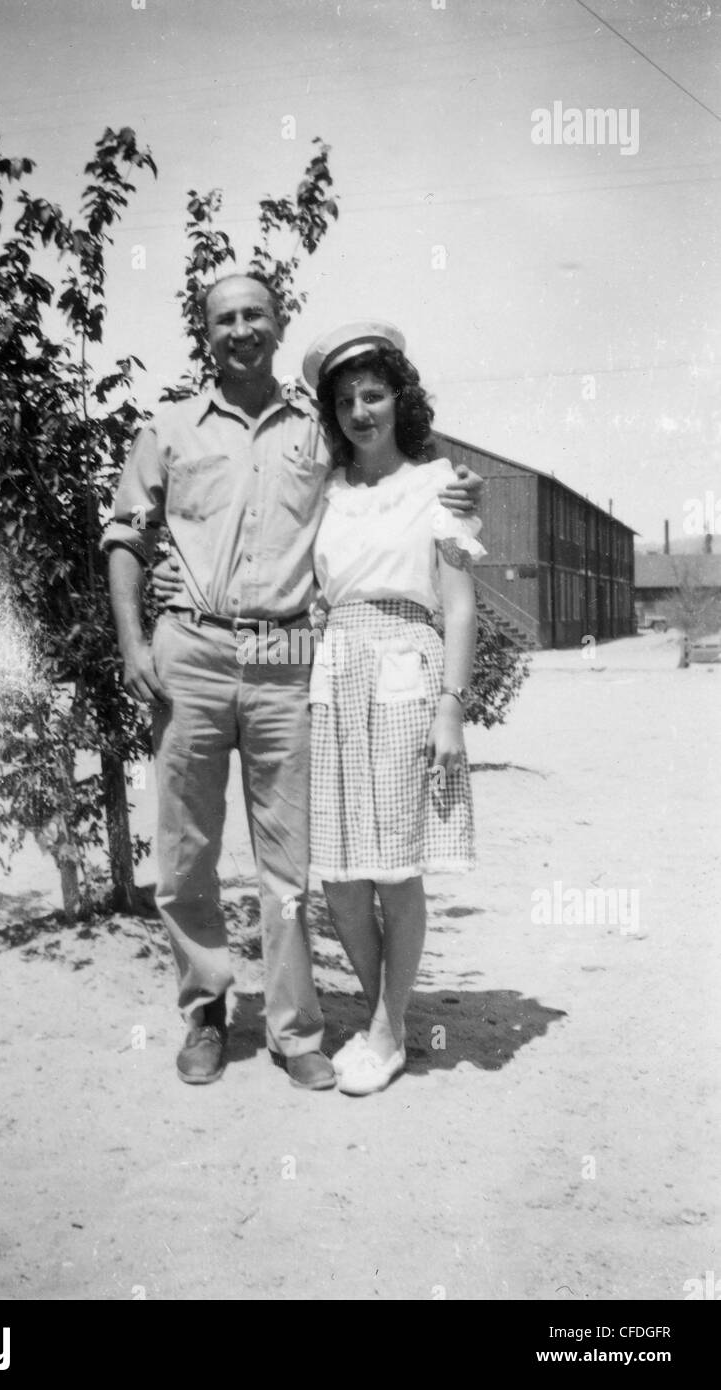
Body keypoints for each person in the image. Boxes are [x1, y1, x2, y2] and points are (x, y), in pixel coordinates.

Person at [102, 277, 482, 1090]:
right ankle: (206, 1013)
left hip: (285, 655)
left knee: (291, 857)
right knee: (187, 852)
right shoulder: (167, 428)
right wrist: (133, 643)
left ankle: (295, 1030)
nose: (241, 329)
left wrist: (463, 491)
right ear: (204, 332)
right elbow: (125, 537)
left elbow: (400, 470)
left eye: (255, 315)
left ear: (279, 326)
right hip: (192, 649)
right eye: (223, 318)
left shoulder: (319, 428)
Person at [301, 321, 484, 1097]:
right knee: (341, 874)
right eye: (345, 400)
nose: (360, 411)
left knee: (395, 867)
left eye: (373, 394)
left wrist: (451, 707)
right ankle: (380, 1013)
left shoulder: (437, 485)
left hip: (408, 673)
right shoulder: (328, 494)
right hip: (336, 674)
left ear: (399, 399)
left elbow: (461, 606)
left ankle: (389, 1025)